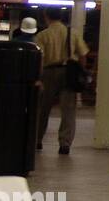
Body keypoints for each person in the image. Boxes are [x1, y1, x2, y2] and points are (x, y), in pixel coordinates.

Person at [34, 8, 88, 154]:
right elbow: (83, 55)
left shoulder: (42, 35)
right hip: (68, 72)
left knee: (42, 108)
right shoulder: (73, 34)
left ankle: (37, 140)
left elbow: (39, 58)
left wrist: (38, 78)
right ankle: (65, 144)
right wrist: (80, 72)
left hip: (49, 72)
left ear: (46, 16)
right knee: (68, 110)